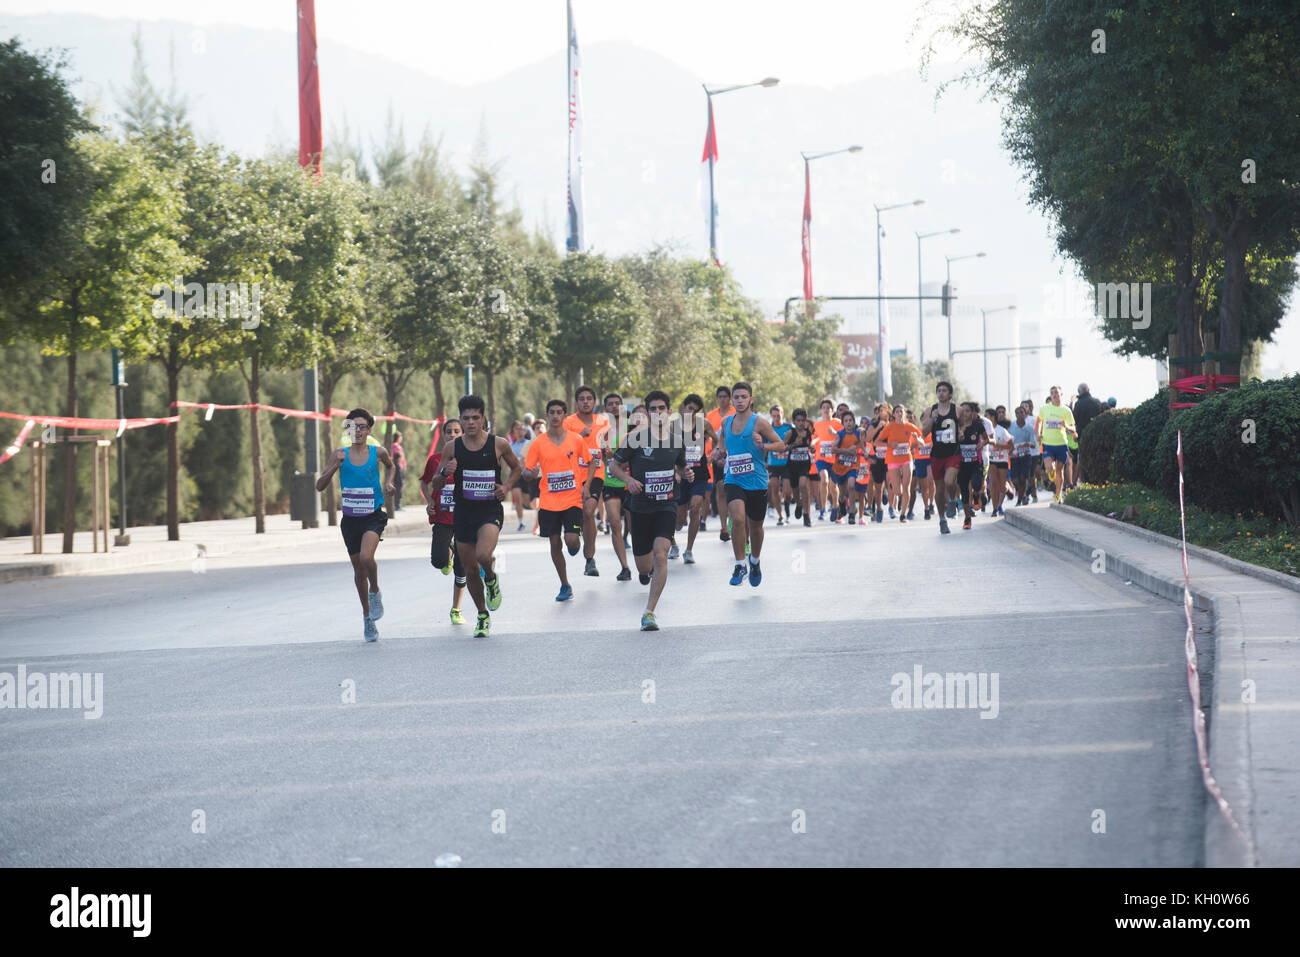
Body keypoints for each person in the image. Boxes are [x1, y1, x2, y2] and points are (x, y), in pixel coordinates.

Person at [432, 394, 522, 638]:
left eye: (475, 418)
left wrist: (506, 487)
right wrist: (444, 471)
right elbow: (436, 483)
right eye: (466, 418)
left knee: (483, 555)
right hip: (463, 511)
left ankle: (491, 580)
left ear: (483, 419)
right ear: (461, 420)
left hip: (489, 509)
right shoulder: (452, 447)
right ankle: (482, 614)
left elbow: (517, 468)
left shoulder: (498, 444)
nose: (470, 422)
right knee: (470, 568)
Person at [609, 391, 693, 631]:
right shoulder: (635, 439)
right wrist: (628, 480)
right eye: (653, 409)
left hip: (666, 505)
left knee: (661, 554)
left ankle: (649, 612)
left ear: (668, 411)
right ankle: (647, 574)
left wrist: (686, 473)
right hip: (641, 508)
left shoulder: (677, 440)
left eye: (662, 408)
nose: (658, 413)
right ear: (647, 412)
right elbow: (613, 465)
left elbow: (682, 466)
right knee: (644, 567)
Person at [316, 408, 397, 642]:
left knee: (365, 558)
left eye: (362, 426)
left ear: (368, 430)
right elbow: (320, 486)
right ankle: (367, 617)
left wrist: (389, 484)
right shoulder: (339, 454)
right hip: (350, 520)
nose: (357, 431)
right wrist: (335, 466)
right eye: (352, 426)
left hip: (373, 515)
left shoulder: (378, 452)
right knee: (358, 569)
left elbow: (391, 466)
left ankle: (375, 590)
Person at [713, 382, 787, 586]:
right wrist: (719, 453)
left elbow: (781, 445)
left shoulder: (759, 423)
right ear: (731, 400)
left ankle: (754, 561)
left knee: (756, 527)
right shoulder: (725, 422)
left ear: (751, 399)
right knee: (737, 519)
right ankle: (739, 564)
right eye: (736, 397)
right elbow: (722, 443)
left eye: (744, 397)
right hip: (733, 479)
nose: (739, 400)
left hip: (756, 481)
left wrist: (763, 445)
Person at [522, 399, 595, 601]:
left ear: (564, 415)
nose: (555, 416)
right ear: (547, 415)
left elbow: (591, 462)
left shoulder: (575, 439)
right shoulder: (538, 443)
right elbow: (527, 472)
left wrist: (586, 485)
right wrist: (530, 473)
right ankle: (565, 584)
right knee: (554, 544)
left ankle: (575, 544)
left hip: (572, 499)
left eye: (559, 412)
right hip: (548, 501)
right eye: (551, 412)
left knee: (570, 540)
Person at [420, 417, 468, 625]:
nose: (453, 435)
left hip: (466, 518)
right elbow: (425, 483)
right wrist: (430, 500)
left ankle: (456, 609)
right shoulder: (435, 460)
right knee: (438, 561)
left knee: (461, 567)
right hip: (442, 516)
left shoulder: (470, 458)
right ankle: (449, 549)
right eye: (449, 431)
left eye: (457, 431)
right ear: (443, 434)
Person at [563, 386, 610, 576]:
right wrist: (576, 437)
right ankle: (577, 539)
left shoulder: (603, 421)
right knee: (581, 515)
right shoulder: (568, 422)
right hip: (573, 475)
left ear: (594, 402)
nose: (585, 402)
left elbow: (607, 443)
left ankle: (590, 558)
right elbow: (562, 444)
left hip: (596, 473)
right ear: (576, 403)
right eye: (581, 399)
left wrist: (608, 450)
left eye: (589, 398)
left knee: (589, 510)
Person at [672, 395, 717, 564]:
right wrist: (675, 470)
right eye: (690, 408)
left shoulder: (703, 424)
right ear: (683, 407)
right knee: (680, 518)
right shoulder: (673, 426)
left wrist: (712, 456)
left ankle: (689, 550)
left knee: (695, 506)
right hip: (681, 474)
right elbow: (667, 450)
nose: (692, 412)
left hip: (699, 473)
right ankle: (674, 542)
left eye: (695, 410)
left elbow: (718, 441)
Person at [921, 382, 962, 535]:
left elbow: (964, 426)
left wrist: (962, 433)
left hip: (953, 453)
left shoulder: (957, 410)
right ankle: (942, 520)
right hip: (937, 455)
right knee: (939, 491)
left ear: (950, 394)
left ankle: (952, 500)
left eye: (944, 391)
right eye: (939, 391)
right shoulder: (930, 410)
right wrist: (932, 418)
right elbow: (923, 432)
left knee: (949, 481)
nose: (941, 393)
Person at [603, 395, 637, 580]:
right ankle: (624, 567)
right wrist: (604, 454)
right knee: (615, 522)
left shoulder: (631, 426)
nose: (614, 407)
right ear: (605, 407)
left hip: (630, 481)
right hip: (610, 482)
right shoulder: (601, 429)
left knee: (634, 523)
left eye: (617, 404)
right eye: (611, 404)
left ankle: (643, 561)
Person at [875, 405, 922, 523]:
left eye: (901, 411)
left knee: (906, 487)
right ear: (894, 415)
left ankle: (903, 515)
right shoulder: (889, 427)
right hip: (893, 460)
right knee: (898, 492)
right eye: (897, 412)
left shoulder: (910, 427)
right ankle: (893, 486)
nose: (899, 413)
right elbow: (877, 442)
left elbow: (922, 442)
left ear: (904, 414)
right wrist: (890, 445)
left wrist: (917, 439)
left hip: (907, 458)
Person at [1035, 385, 1078, 503]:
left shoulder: (1066, 410)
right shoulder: (1044, 408)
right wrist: (1038, 433)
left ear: (1061, 394)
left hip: (1061, 444)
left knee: (1060, 471)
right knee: (1050, 467)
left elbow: (1073, 428)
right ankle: (1051, 474)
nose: (1054, 394)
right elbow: (1039, 422)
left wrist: (1066, 426)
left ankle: (1058, 495)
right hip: (1047, 443)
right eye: (1052, 393)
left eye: (1056, 392)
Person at [705, 385, 735, 540]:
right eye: (720, 396)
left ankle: (733, 519)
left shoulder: (736, 413)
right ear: (716, 399)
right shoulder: (710, 416)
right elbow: (707, 438)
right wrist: (713, 455)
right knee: (721, 489)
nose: (723, 399)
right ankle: (724, 527)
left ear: (729, 398)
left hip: (734, 457)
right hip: (717, 457)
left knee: (732, 490)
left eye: (725, 396)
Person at [828, 408, 862, 524]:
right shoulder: (840, 434)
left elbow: (862, 445)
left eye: (850, 420)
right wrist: (847, 451)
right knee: (842, 493)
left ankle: (852, 513)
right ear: (843, 423)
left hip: (853, 465)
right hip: (840, 467)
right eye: (846, 421)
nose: (848, 423)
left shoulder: (858, 433)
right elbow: (833, 450)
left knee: (851, 486)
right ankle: (841, 504)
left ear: (854, 422)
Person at [783, 408, 815, 527]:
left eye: (803, 420)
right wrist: (794, 444)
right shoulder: (790, 433)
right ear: (794, 421)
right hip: (792, 465)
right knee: (795, 490)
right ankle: (799, 503)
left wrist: (811, 448)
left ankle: (807, 516)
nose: (801, 423)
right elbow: (783, 447)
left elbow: (809, 444)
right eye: (798, 420)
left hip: (804, 464)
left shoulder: (808, 432)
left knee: (803, 486)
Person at [811, 398, 841, 520]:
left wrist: (834, 433)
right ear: (820, 410)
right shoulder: (817, 424)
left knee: (833, 486)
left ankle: (835, 505)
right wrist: (813, 442)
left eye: (828, 408)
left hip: (834, 458)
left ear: (832, 410)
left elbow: (844, 438)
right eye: (823, 408)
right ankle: (823, 509)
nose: (825, 410)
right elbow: (816, 437)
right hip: (821, 457)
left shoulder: (838, 423)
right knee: (824, 480)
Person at [766, 404, 793, 525]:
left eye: (779, 415)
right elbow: (764, 447)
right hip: (773, 464)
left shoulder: (789, 428)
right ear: (771, 416)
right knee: (774, 488)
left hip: (787, 464)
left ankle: (787, 508)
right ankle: (780, 515)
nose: (776, 418)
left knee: (787, 492)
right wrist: (764, 461)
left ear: (783, 414)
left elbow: (796, 443)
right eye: (774, 416)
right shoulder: (768, 429)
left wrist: (787, 447)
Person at [1008, 405, 1036, 506]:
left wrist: (1027, 444)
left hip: (1025, 455)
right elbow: (1008, 441)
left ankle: (1020, 499)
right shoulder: (1011, 426)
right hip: (1014, 456)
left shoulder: (1029, 428)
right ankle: (1022, 493)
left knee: (1022, 478)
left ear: (1025, 415)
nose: (1020, 415)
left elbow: (1033, 444)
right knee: (1015, 480)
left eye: (1022, 413)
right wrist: (1010, 450)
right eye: (1017, 413)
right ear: (1015, 414)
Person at [508, 420, 532, 532]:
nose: (520, 431)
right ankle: (521, 522)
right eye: (517, 428)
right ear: (513, 431)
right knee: (517, 497)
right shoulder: (509, 446)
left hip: (527, 475)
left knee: (528, 501)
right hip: (514, 475)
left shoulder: (529, 444)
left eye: (522, 428)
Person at [389, 430, 406, 511]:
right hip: (398, 467)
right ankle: (397, 505)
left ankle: (397, 504)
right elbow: (398, 457)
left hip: (395, 467)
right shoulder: (396, 446)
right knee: (398, 487)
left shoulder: (393, 446)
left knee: (396, 486)